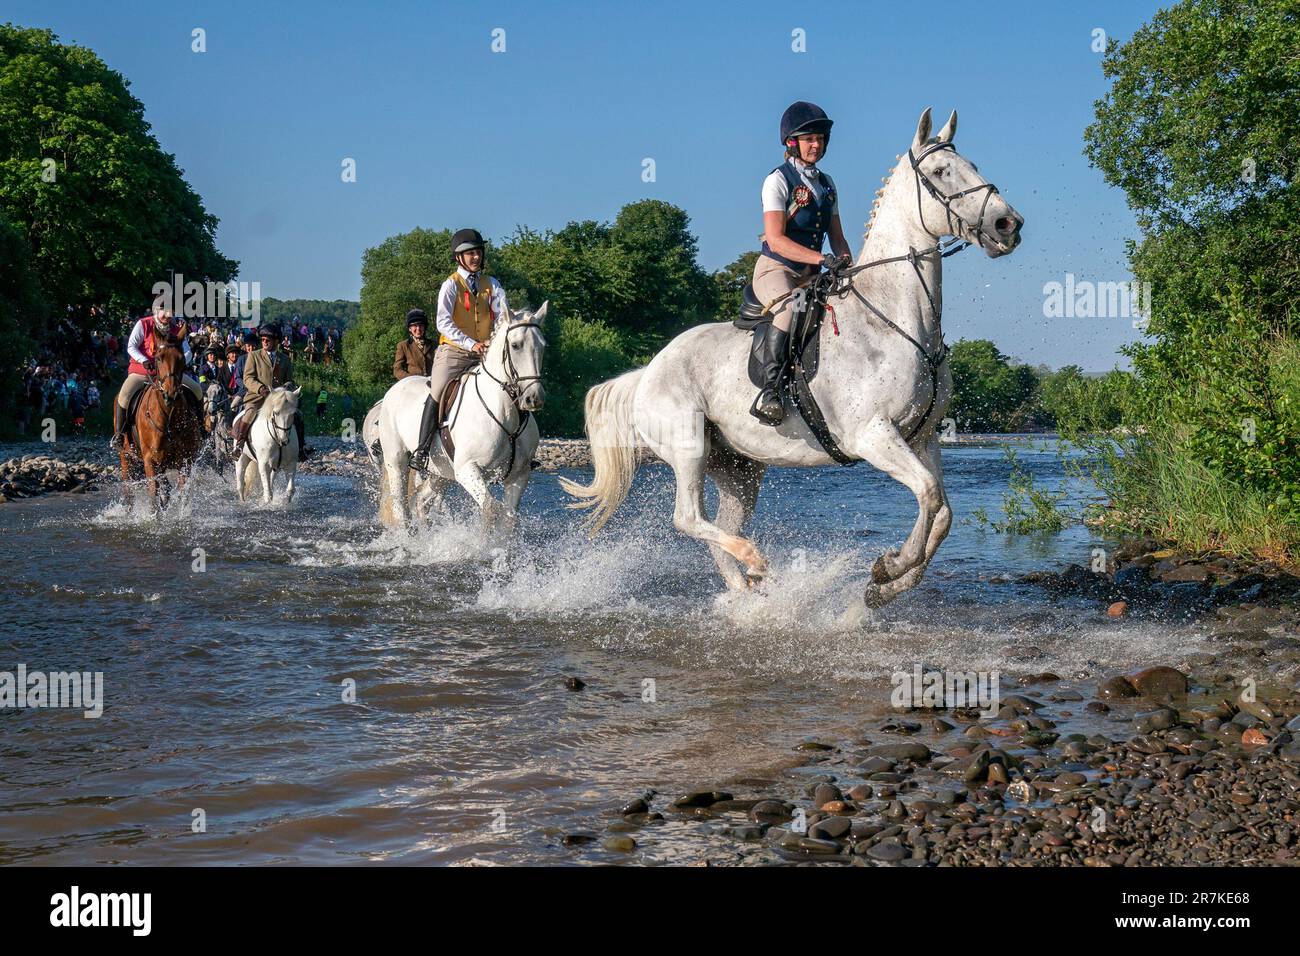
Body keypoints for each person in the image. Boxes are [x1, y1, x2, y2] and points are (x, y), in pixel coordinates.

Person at [750, 101, 853, 425]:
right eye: (810, 139)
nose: (817, 145)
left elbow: (837, 238)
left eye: (821, 138)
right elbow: (776, 239)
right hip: (777, 269)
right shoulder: (777, 180)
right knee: (790, 308)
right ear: (792, 143)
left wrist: (849, 267)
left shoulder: (827, 184)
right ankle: (770, 392)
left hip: (813, 274)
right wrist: (823, 259)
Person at [410, 228, 510, 472]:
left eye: (478, 252)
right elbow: (443, 322)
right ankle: (422, 450)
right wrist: (471, 343)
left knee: (513, 384)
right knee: (438, 389)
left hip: (487, 352)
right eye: (470, 254)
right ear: (459, 258)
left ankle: (520, 451)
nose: (475, 257)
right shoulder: (450, 285)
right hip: (454, 352)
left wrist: (493, 341)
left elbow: (503, 317)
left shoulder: (493, 285)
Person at [113, 304, 202, 448]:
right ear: (156, 311)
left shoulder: (176, 329)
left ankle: (201, 430)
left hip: (170, 375)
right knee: (123, 395)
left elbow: (187, 352)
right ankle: (119, 435)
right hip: (143, 372)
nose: (167, 315)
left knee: (197, 389)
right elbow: (131, 346)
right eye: (164, 312)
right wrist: (144, 360)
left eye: (170, 312)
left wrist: (178, 362)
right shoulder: (143, 324)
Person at [232, 323, 311, 459]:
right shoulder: (254, 356)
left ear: (276, 341)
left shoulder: (285, 359)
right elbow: (248, 378)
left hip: (278, 400)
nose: (264, 342)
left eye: (267, 340)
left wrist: (286, 387)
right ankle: (239, 444)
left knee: (297, 415)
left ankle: (301, 447)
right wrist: (260, 388)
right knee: (249, 413)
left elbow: (290, 380)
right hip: (257, 397)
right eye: (262, 339)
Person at [393, 308, 435, 380]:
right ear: (410, 328)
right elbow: (397, 370)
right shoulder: (403, 346)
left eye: (421, 325)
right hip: (412, 385)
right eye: (415, 326)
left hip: (432, 383)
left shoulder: (434, 344)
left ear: (425, 327)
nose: (418, 329)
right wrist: (412, 379)